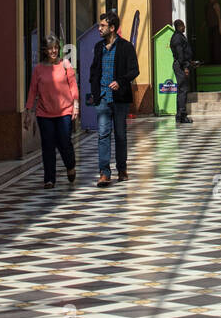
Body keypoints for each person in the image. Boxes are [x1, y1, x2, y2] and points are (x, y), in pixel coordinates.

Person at [89, 11, 139, 187]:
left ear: (112, 28)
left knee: (120, 135)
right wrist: (94, 90)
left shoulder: (126, 47)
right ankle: (104, 172)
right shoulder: (98, 47)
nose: (99, 29)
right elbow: (94, 70)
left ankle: (122, 168)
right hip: (102, 97)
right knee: (103, 134)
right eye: (99, 25)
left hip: (119, 98)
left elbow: (134, 70)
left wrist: (121, 82)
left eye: (102, 26)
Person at [24, 34, 79, 189]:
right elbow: (33, 91)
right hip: (44, 113)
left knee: (65, 143)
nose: (54, 51)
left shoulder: (65, 64)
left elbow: (73, 85)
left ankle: (70, 166)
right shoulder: (38, 69)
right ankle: (49, 179)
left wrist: (76, 105)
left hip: (64, 111)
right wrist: (28, 111)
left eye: (56, 48)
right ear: (45, 50)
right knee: (48, 146)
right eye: (50, 48)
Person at [170, 19, 194, 124]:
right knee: (183, 90)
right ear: (179, 26)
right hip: (180, 66)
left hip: (181, 65)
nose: (184, 27)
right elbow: (180, 56)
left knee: (181, 90)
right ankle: (182, 115)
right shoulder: (177, 38)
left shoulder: (179, 37)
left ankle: (180, 115)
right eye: (183, 26)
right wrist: (185, 67)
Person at [205, 0, 221, 64]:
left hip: (216, 26)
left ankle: (219, 61)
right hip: (210, 27)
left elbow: (219, 16)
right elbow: (207, 16)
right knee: (212, 44)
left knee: (217, 44)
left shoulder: (216, 4)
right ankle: (213, 61)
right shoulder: (208, 5)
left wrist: (220, 27)